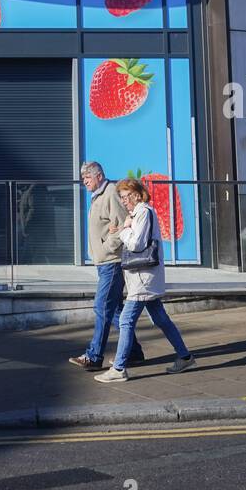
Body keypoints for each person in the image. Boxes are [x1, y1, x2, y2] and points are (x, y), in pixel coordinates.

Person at [95, 176, 195, 382]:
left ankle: (119, 368)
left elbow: (137, 244)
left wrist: (123, 230)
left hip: (143, 279)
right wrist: (126, 227)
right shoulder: (139, 213)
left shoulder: (143, 212)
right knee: (161, 319)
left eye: (125, 196)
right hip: (144, 278)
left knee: (125, 320)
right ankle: (185, 357)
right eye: (121, 197)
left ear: (136, 194)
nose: (123, 201)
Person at [69, 162, 144, 371]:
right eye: (83, 179)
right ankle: (134, 352)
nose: (84, 182)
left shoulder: (111, 193)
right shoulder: (98, 195)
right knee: (117, 310)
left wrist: (106, 247)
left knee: (101, 306)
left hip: (112, 262)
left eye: (87, 178)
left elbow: (122, 224)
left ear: (99, 176)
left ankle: (94, 356)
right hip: (104, 262)